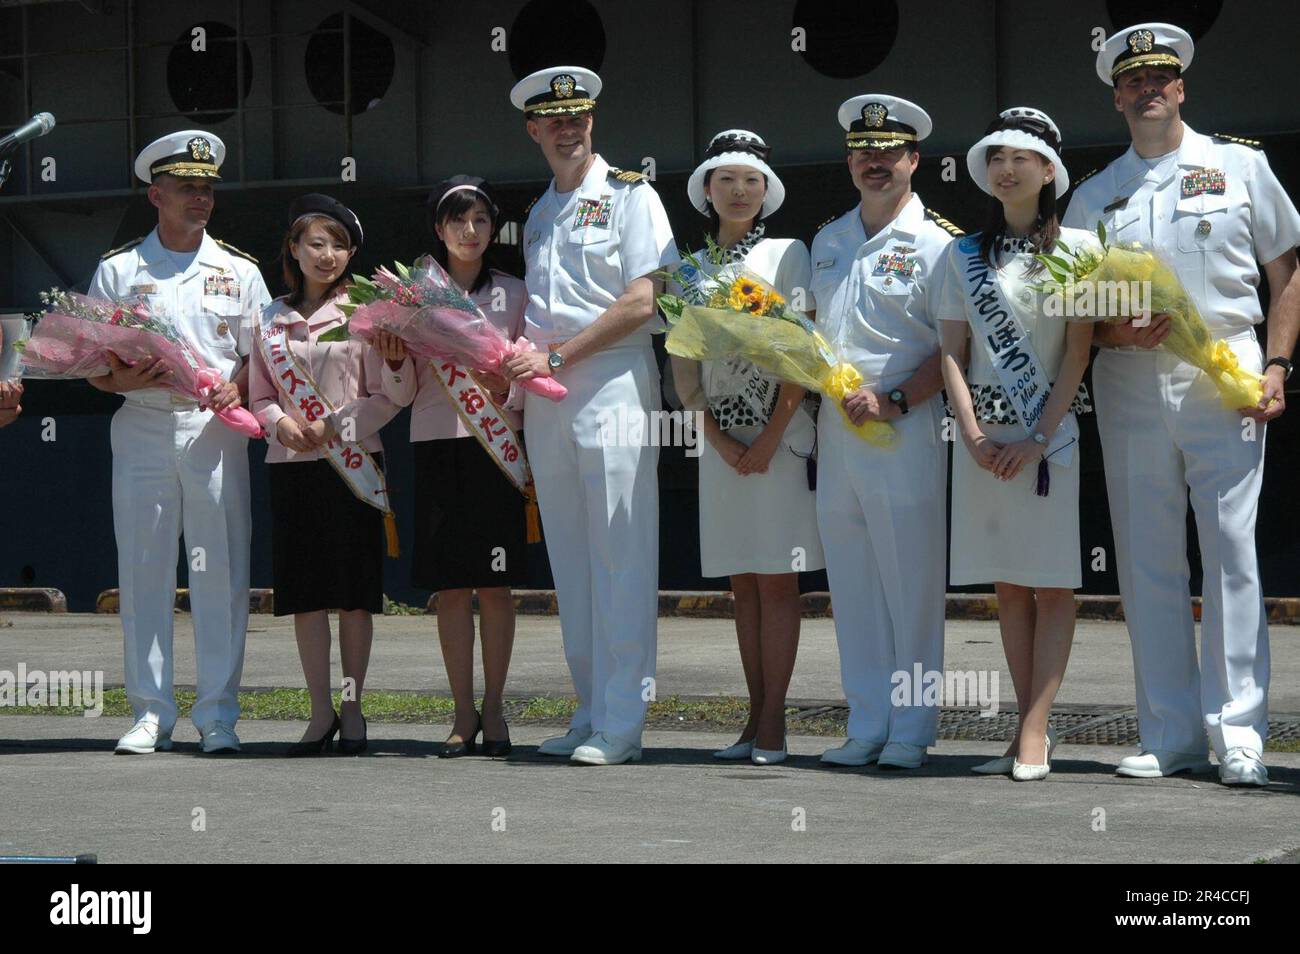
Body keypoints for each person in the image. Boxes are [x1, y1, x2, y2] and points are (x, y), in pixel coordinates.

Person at [1063, 23, 1300, 786]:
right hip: (1129, 379)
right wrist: (1113, 327)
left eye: (1161, 76)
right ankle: (1169, 731)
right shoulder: (1094, 195)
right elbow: (1069, 315)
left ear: (1182, 86)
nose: (1149, 88)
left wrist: (1277, 363)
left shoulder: (1240, 164)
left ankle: (1239, 734)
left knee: (1232, 550)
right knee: (1146, 557)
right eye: (1134, 80)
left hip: (1224, 364)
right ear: (1117, 96)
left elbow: (1285, 274)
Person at [502, 66, 677, 765]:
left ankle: (624, 722)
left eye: (579, 117)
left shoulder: (633, 196)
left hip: (609, 381)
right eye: (555, 120)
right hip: (549, 394)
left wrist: (561, 354)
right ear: (534, 129)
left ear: (592, 122)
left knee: (620, 552)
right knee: (571, 560)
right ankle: (590, 708)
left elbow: (645, 300)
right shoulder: (541, 211)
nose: (568, 128)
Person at [88, 130, 270, 754]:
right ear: (154, 194)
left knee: (220, 568)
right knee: (142, 568)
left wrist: (237, 387)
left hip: (213, 429)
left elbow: (263, 356)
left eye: (208, 188)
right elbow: (89, 362)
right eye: (188, 188)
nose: (202, 198)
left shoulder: (240, 270)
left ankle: (218, 713)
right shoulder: (118, 270)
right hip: (140, 422)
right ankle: (149, 711)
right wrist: (119, 377)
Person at [936, 108, 1094, 780]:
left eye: (1020, 158)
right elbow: (950, 351)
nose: (1006, 169)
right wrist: (971, 434)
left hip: (1046, 437)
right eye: (996, 157)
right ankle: (1026, 728)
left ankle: (1034, 730)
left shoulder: (1082, 249)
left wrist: (1036, 438)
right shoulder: (962, 253)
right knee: (1008, 583)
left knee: (1053, 581)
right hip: (982, 440)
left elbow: (1077, 357)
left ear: (1048, 169)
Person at [808, 95, 957, 770]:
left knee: (911, 589)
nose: (876, 162)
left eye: (889, 152)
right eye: (864, 152)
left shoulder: (940, 243)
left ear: (914, 160)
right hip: (837, 440)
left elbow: (959, 348)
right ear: (849, 160)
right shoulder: (828, 239)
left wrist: (896, 398)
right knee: (854, 588)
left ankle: (912, 729)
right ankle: (866, 722)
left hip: (904, 434)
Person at [669, 130, 824, 765]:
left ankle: (775, 723)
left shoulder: (789, 253)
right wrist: (715, 436)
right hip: (720, 442)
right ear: (707, 190)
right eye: (725, 179)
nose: (739, 190)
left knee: (777, 581)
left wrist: (767, 436)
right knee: (742, 583)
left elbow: (802, 349)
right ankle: (753, 715)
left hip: (778, 440)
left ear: (767, 191)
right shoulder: (689, 268)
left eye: (751, 180)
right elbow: (681, 361)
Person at [250, 193, 405, 756]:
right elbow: (260, 394)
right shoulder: (268, 317)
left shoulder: (367, 314)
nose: (328, 254)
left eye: (340, 244)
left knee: (354, 594)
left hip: (354, 464)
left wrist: (338, 425)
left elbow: (391, 394)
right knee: (307, 593)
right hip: (293, 466)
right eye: (317, 242)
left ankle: (354, 706)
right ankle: (319, 711)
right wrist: (278, 424)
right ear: (294, 248)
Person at [380, 176, 528, 759]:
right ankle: (461, 712)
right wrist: (393, 360)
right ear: (438, 230)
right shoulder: (412, 295)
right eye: (457, 222)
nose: (470, 232)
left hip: (497, 448)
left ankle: (495, 710)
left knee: (495, 586)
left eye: (481, 221)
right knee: (451, 587)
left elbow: (532, 378)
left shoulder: (515, 293)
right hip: (437, 444)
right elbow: (401, 389)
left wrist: (507, 392)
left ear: (493, 229)